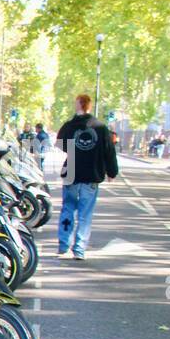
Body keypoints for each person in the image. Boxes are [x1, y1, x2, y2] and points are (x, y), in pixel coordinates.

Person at [54, 93, 118, 261]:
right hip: (91, 174)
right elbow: (109, 152)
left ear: (78, 105)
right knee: (85, 214)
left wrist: (75, 150)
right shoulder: (100, 128)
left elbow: (60, 143)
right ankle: (79, 248)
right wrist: (112, 172)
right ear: (89, 106)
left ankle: (63, 244)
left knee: (68, 209)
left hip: (72, 173)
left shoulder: (69, 126)